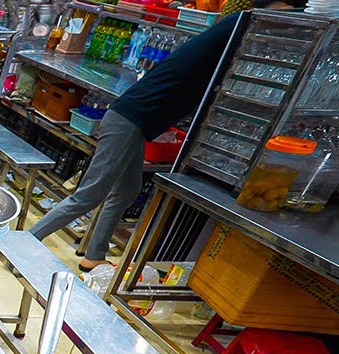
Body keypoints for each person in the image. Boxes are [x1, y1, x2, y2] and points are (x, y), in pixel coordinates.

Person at [28, 3, 295, 271]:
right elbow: (248, 21)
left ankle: (94, 255)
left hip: (134, 125)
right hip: (126, 122)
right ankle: (25, 244)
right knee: (88, 196)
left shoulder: (212, 53)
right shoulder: (238, 24)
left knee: (127, 191)